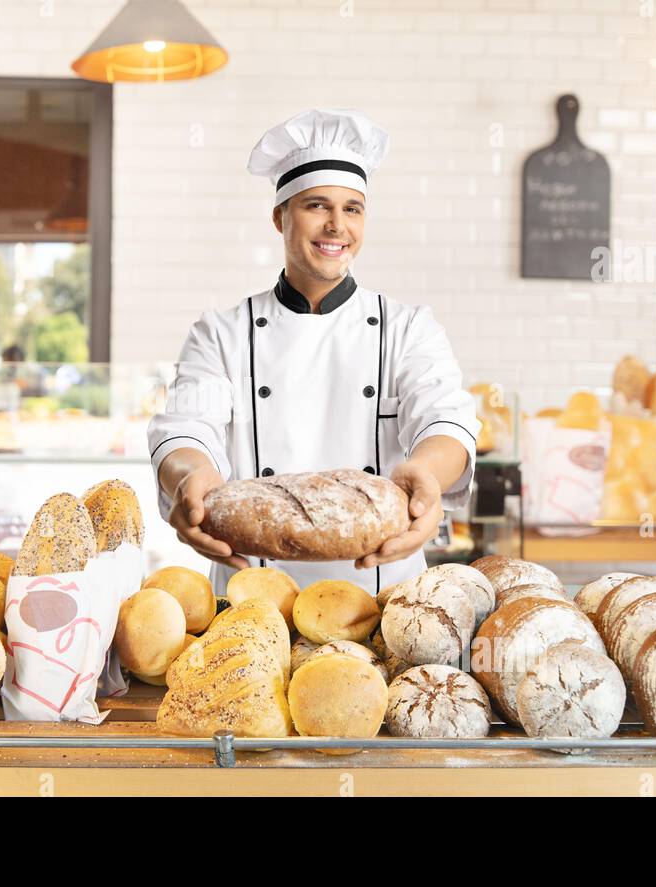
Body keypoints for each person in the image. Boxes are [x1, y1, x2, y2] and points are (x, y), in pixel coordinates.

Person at [147, 109, 480, 596]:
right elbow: (186, 428)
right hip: (255, 603)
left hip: (383, 596)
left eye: (352, 209)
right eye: (317, 206)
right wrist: (190, 476)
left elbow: (445, 419)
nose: (336, 226)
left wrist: (426, 474)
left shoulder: (408, 328)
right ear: (280, 217)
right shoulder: (222, 332)